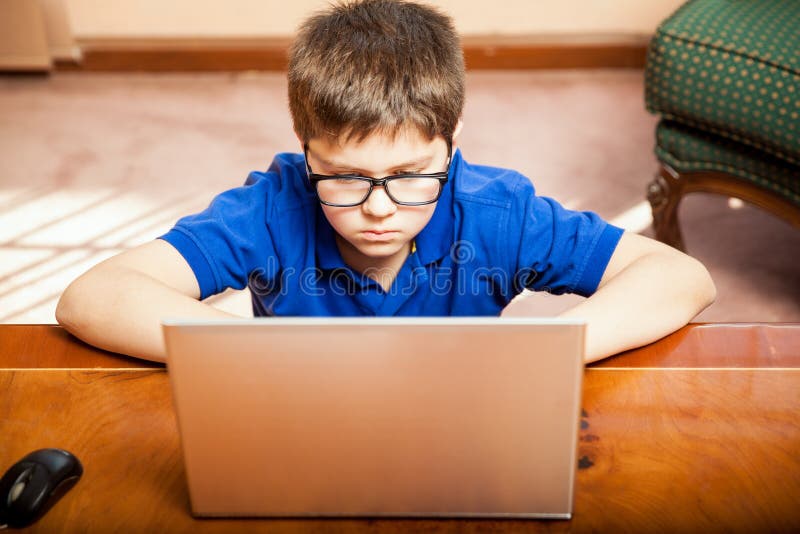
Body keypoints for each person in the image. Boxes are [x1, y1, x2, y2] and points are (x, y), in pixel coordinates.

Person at [56, 0, 715, 364]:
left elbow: (682, 278)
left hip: (466, 426)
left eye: (408, 176)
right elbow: (94, 295)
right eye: (344, 177)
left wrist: (532, 357)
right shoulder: (271, 207)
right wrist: (248, 356)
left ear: (451, 150)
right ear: (306, 153)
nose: (378, 209)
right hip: (302, 421)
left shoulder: (495, 210)